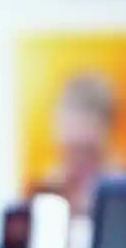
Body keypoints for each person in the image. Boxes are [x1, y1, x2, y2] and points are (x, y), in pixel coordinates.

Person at [35, 72, 118, 218]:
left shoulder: (123, 199)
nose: (78, 164)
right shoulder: (40, 197)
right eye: (71, 151)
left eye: (87, 152)